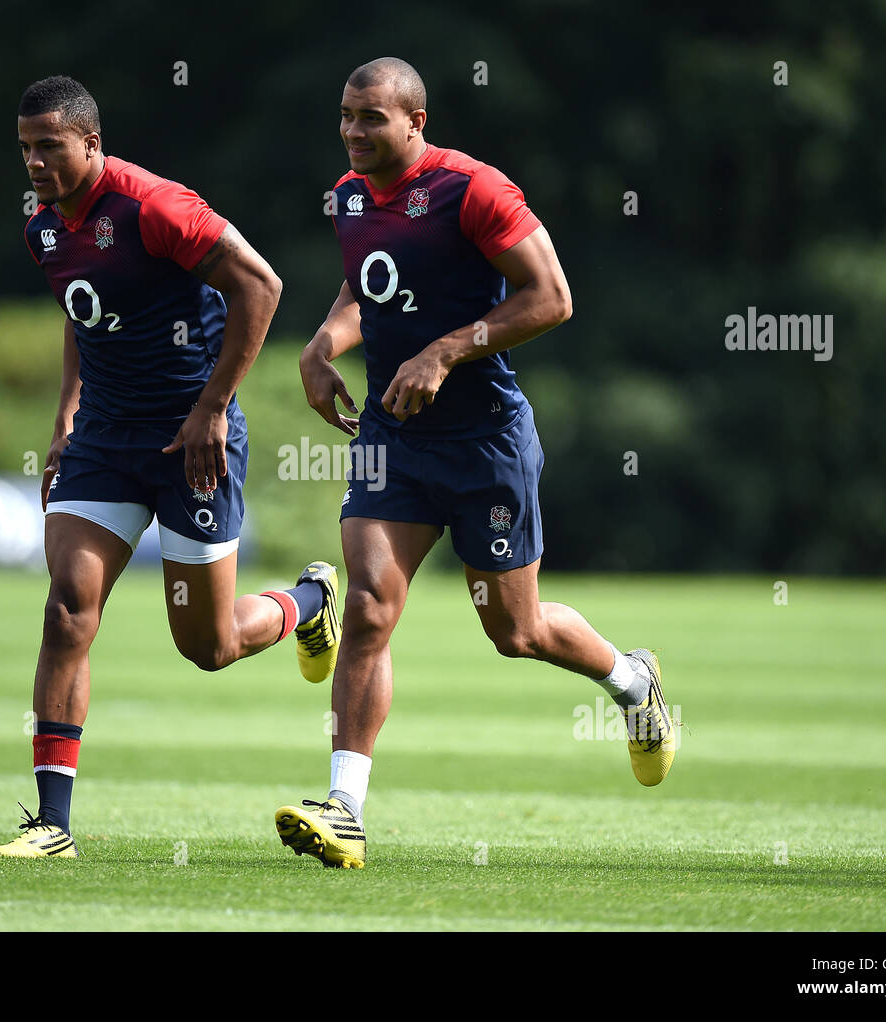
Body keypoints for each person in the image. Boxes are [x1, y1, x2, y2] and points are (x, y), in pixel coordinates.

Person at [275, 58, 677, 870]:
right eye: (346, 117)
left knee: (515, 631)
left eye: (372, 119)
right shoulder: (350, 196)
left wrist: (448, 351)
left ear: (416, 121)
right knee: (370, 608)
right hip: (395, 438)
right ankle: (345, 808)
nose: (354, 132)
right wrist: (323, 345)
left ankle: (632, 682)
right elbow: (366, 287)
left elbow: (551, 296)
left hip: (485, 442)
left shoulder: (473, 190)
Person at [0, 76, 341, 858]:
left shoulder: (153, 205)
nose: (36, 163)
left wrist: (213, 407)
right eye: (25, 148)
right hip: (104, 445)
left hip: (192, 440)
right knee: (67, 610)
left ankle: (308, 601)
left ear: (90, 140)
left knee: (208, 647)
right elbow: (83, 316)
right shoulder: (45, 230)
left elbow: (262, 285)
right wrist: (64, 422)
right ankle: (52, 825)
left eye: (49, 146)